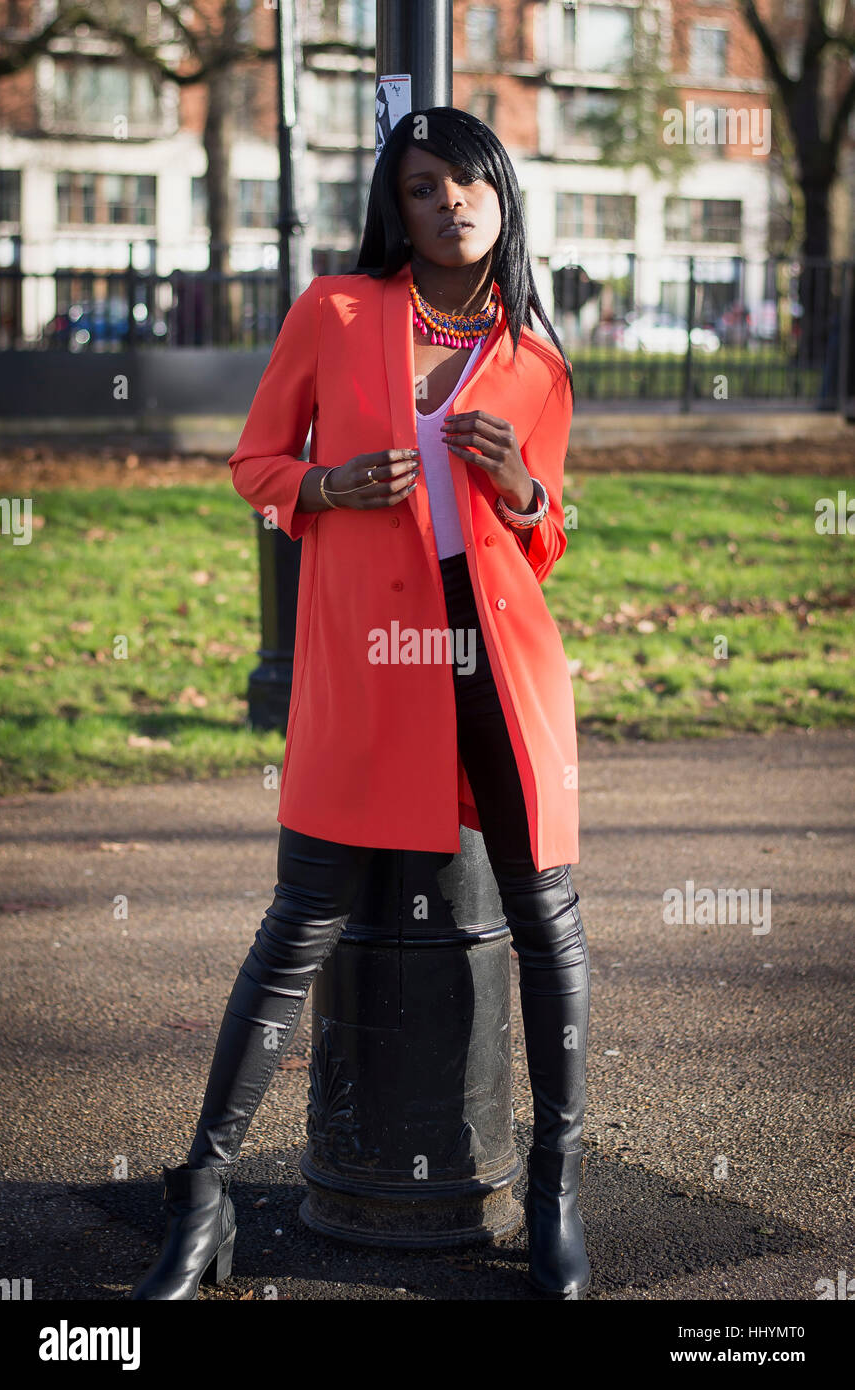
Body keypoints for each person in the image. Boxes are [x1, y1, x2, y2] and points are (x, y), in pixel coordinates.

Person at [131, 106, 591, 1302]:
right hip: (370, 659)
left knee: (546, 921)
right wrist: (326, 485)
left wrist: (520, 483)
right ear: (395, 208)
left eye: (467, 181)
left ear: (501, 194)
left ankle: (553, 1187)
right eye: (422, 186)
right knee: (298, 922)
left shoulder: (537, 361)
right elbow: (255, 465)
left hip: (498, 662)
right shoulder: (334, 313)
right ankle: (200, 1196)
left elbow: (543, 539)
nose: (449, 202)